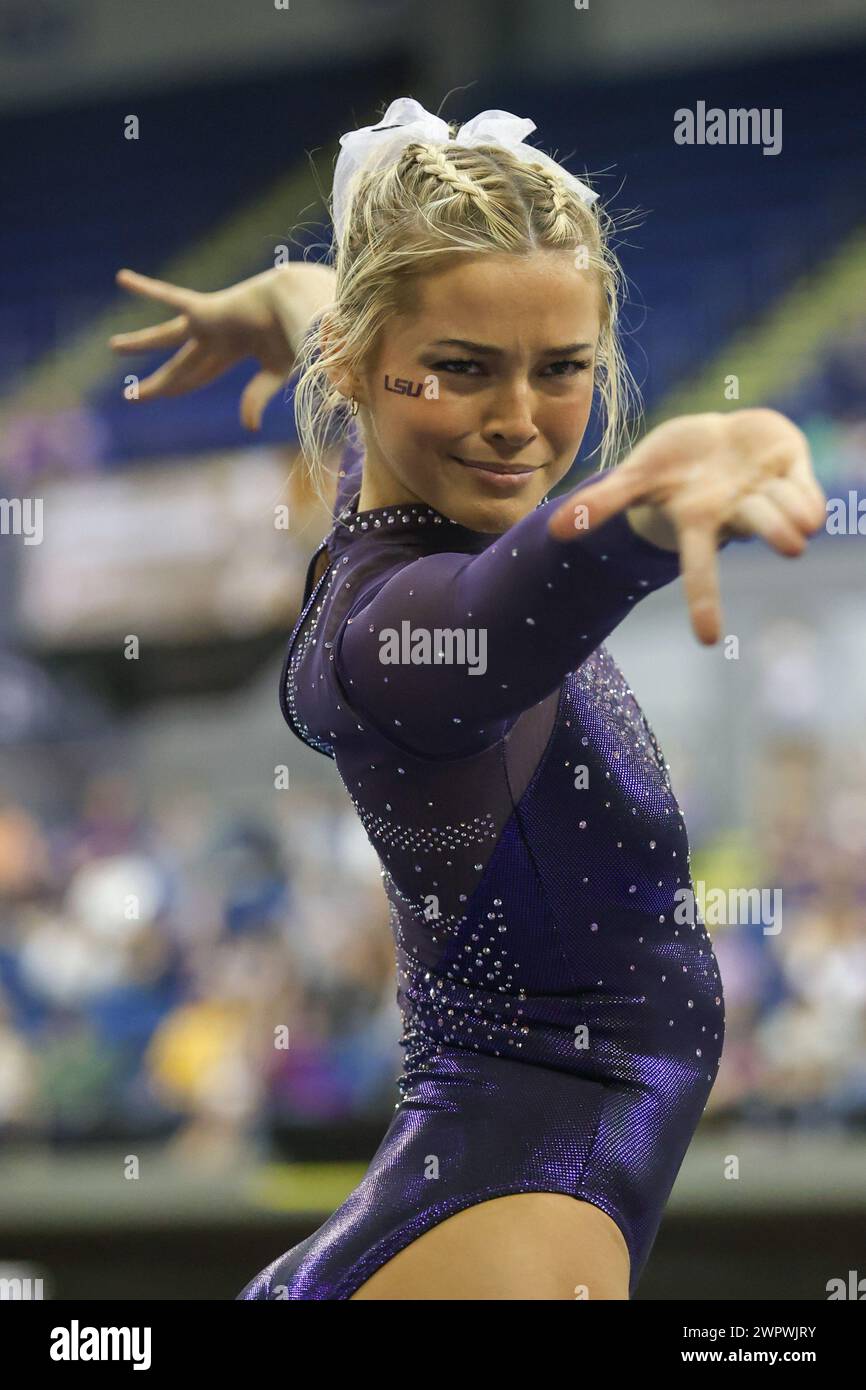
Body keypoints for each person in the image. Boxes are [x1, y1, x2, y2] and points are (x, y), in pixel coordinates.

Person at [110, 97, 825, 1300]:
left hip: (500, 1179)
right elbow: (518, 597)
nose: (515, 422)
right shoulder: (394, 640)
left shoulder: (386, 468)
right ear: (360, 365)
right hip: (514, 1210)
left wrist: (272, 301)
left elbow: (326, 308)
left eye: (562, 371)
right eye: (461, 371)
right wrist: (641, 505)